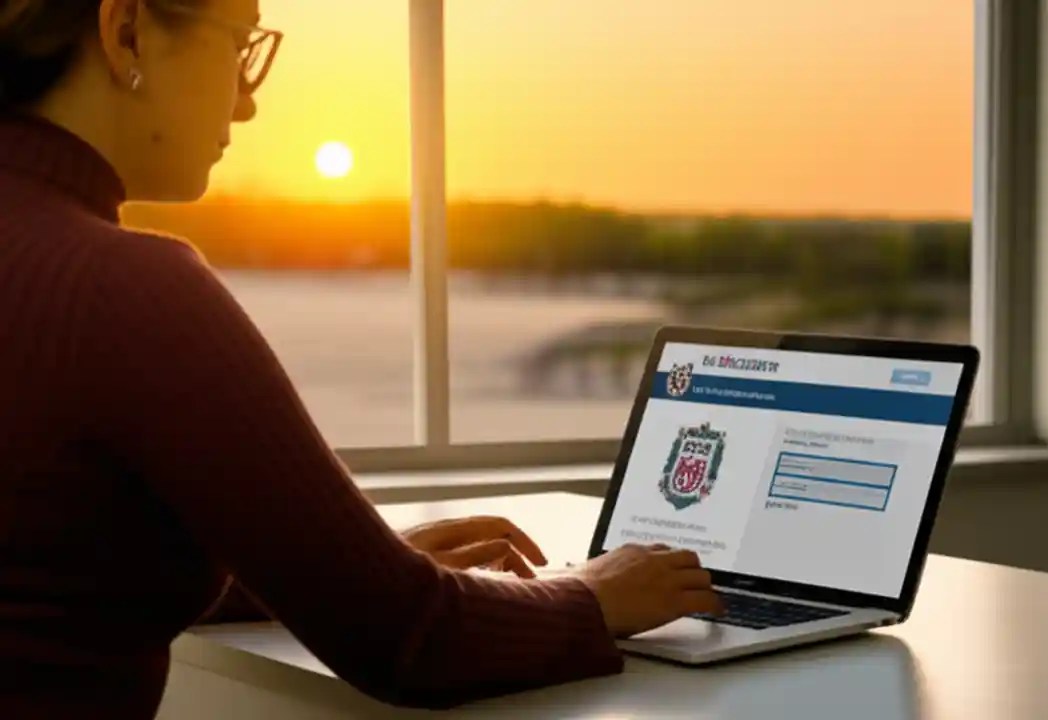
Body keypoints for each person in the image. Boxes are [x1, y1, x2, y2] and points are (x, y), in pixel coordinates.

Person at [0, 0, 722, 716]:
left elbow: (59, 553)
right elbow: (410, 638)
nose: (248, 104)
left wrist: (324, 563)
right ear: (125, 31)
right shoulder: (125, 290)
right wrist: (594, 594)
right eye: (241, 49)